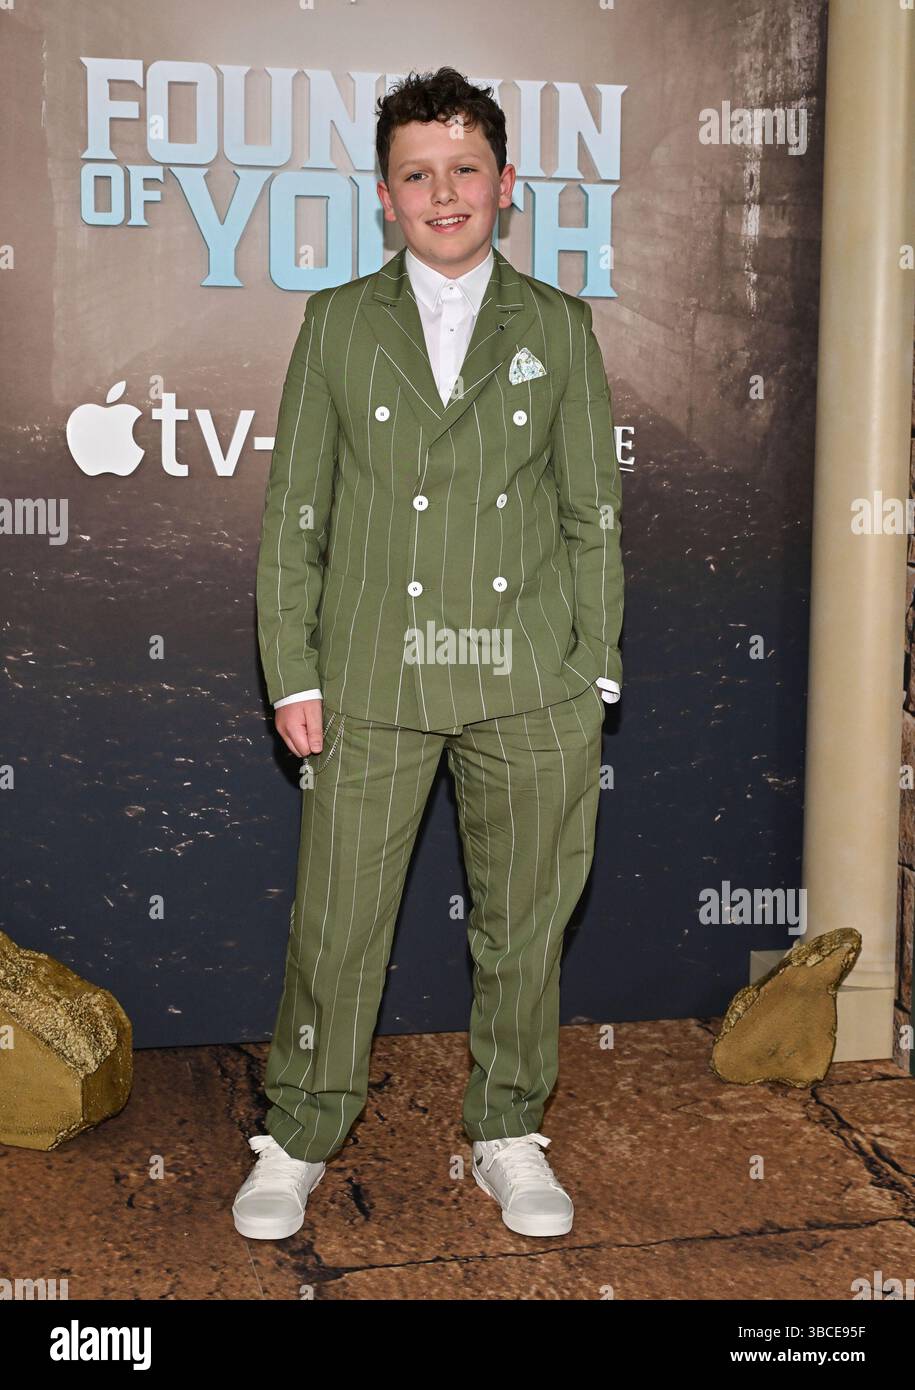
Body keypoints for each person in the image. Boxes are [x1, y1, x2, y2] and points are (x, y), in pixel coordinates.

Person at [233, 66, 624, 1242]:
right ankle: (299, 1132)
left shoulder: (558, 327)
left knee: (524, 921)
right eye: (417, 175)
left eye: (464, 171)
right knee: (337, 922)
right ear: (387, 196)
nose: (442, 193)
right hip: (372, 671)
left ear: (505, 186)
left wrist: (595, 666)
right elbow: (296, 512)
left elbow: (591, 510)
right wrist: (291, 668)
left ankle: (509, 1127)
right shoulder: (338, 322)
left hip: (528, 680)